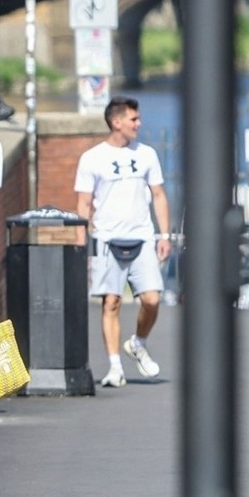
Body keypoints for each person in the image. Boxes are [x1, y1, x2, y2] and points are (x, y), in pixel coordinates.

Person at [74, 96, 173, 389]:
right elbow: (84, 203)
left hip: (141, 236)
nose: (139, 124)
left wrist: (164, 235)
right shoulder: (92, 158)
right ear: (116, 122)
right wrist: (81, 243)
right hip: (107, 237)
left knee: (152, 299)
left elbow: (158, 195)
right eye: (133, 119)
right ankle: (115, 367)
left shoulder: (147, 155)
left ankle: (138, 342)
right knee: (111, 302)